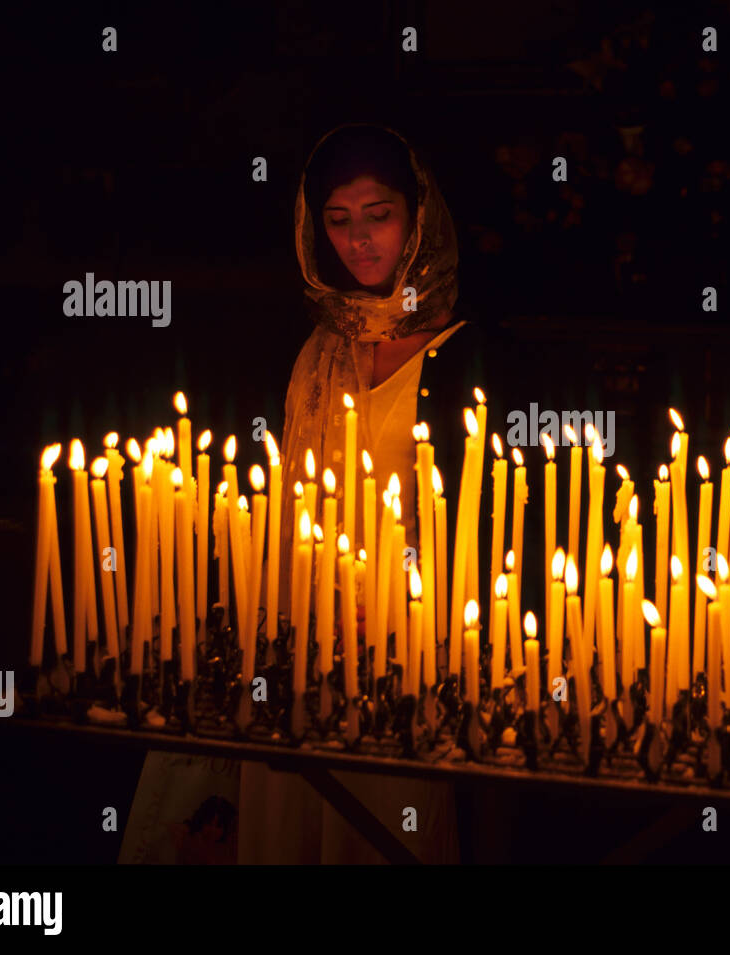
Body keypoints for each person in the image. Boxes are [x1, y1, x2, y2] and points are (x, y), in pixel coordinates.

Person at [237, 122, 513, 864]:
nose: (359, 240)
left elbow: (480, 524)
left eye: (378, 215)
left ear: (418, 218)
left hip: (409, 649)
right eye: (338, 220)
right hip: (306, 639)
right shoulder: (318, 349)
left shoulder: (463, 354)